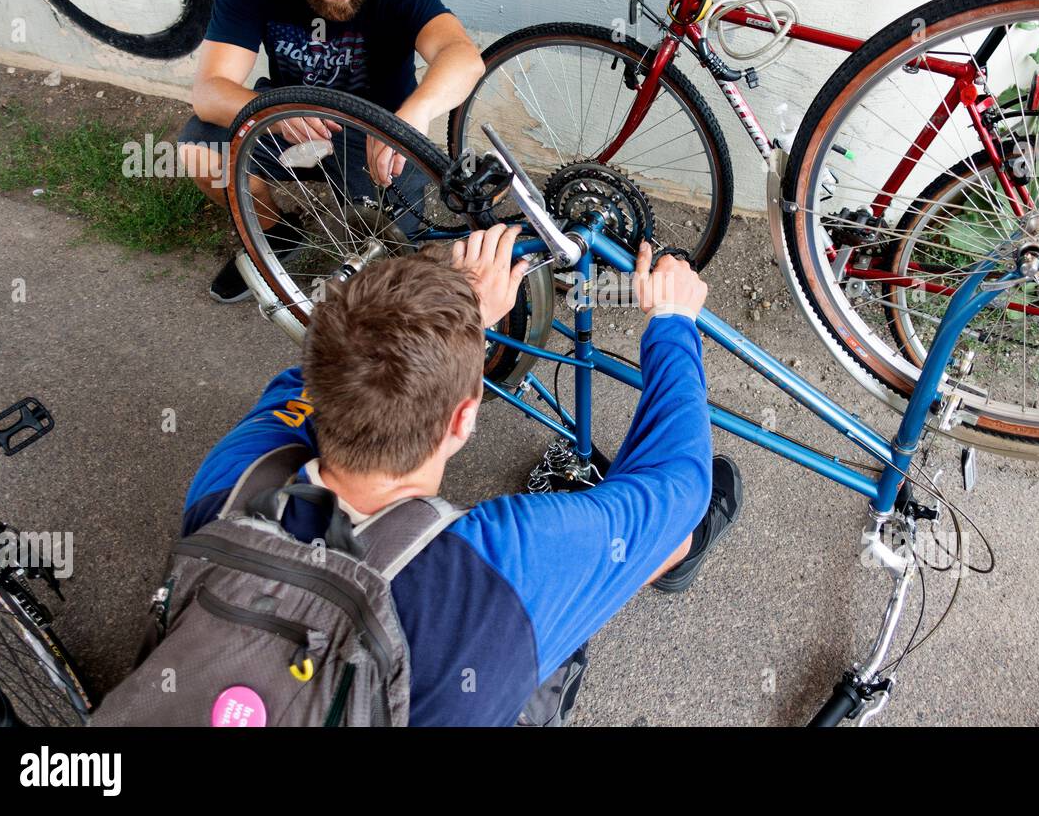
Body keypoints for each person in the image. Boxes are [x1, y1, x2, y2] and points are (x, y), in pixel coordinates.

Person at [183, 226, 744, 725]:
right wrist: (671, 323)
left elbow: (303, 382)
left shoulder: (234, 481)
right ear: (464, 417)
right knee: (639, 544)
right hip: (466, 676)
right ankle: (673, 559)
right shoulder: (500, 567)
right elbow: (676, 487)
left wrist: (449, 318)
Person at [177, 0, 484, 303]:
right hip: (290, 120)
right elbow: (209, 90)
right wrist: (276, 113)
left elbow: (463, 58)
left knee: (388, 267)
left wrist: (411, 117)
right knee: (200, 151)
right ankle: (276, 234)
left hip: (379, 136)